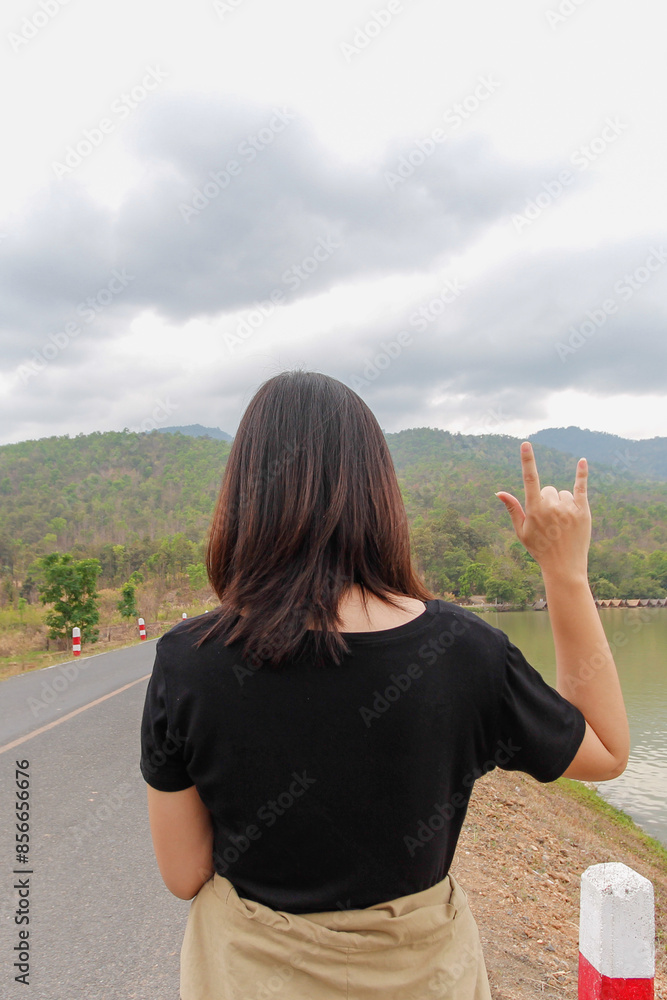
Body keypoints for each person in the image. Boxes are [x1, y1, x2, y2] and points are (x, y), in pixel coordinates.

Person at [139, 369, 629, 1000]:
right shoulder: (461, 649)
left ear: (244, 496)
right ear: (379, 494)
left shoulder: (190, 661)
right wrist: (564, 573)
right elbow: (607, 750)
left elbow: (184, 874)